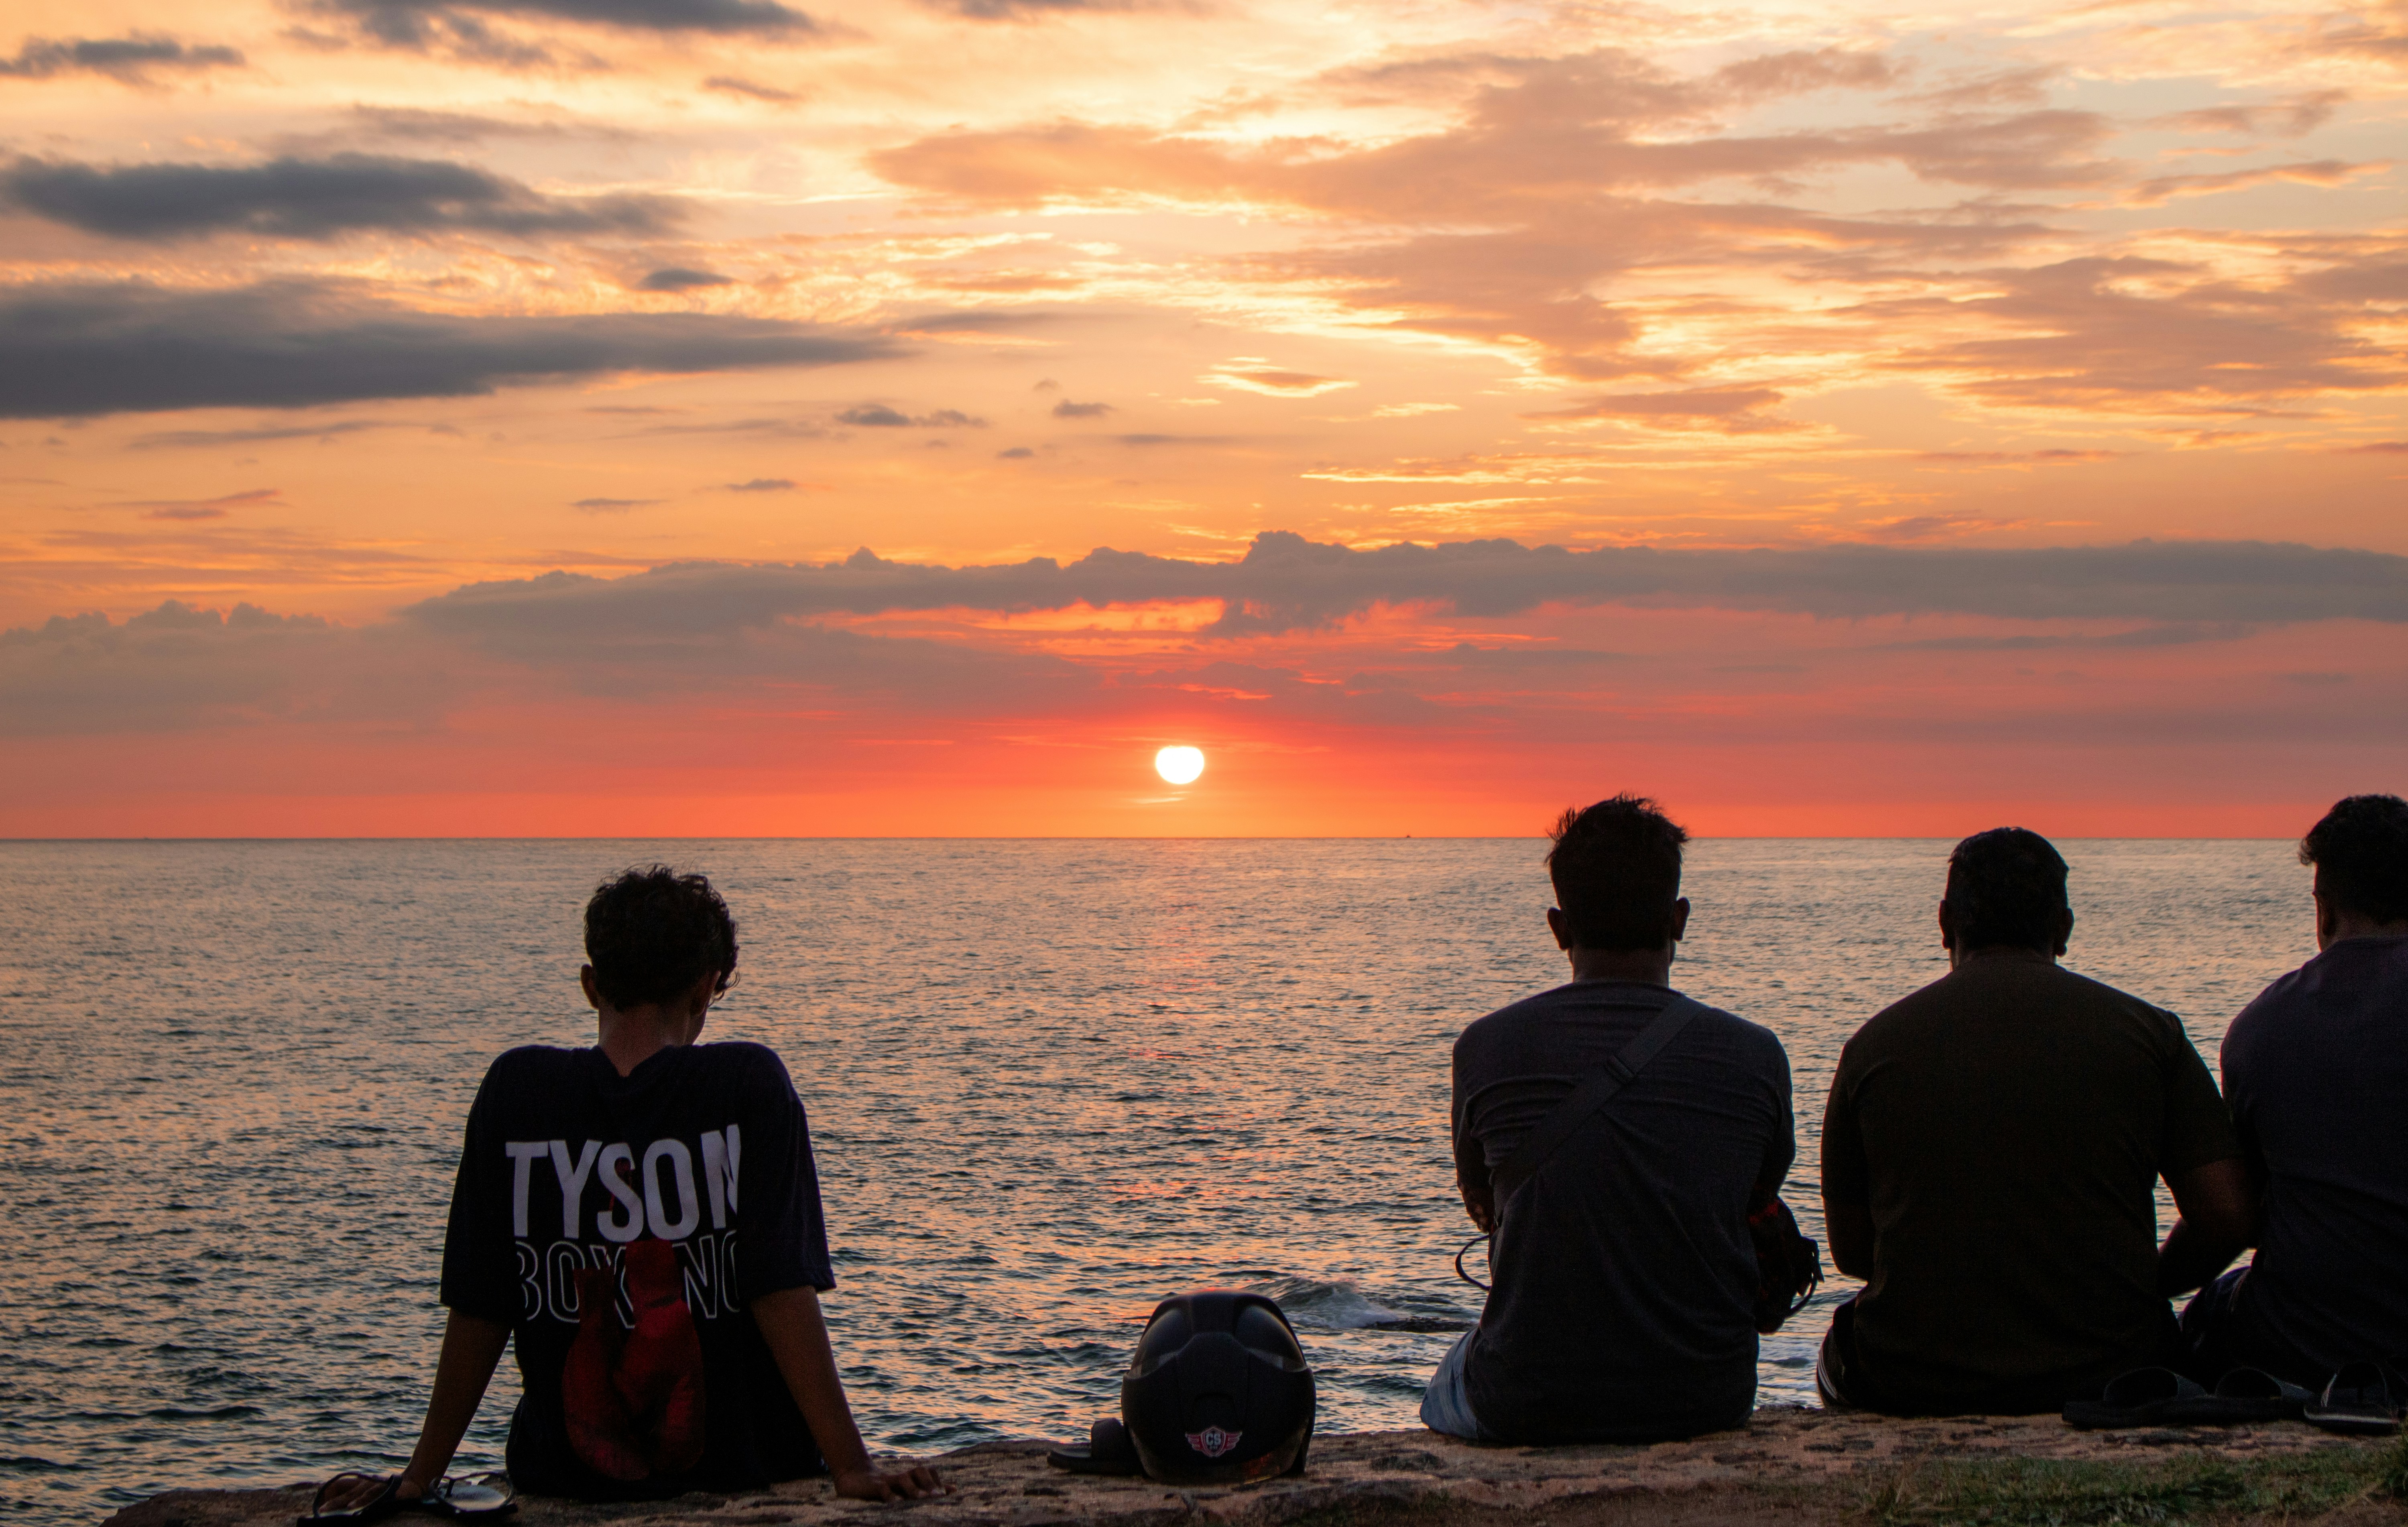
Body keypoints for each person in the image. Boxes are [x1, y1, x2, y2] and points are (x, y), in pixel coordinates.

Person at [318, 867, 940, 1511]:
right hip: (746, 1468)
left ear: (593, 985)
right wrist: (852, 1465)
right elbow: (779, 1285)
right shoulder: (746, 1083)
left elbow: (481, 1304)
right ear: (705, 988)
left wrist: (417, 1478)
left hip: (562, 1476)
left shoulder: (516, 1090)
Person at [1817, 828, 2255, 1416]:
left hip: (1914, 1377)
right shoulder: (2151, 1035)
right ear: (2065, 927)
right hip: (2113, 1372)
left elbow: (1852, 1252)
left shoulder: (1874, 1046)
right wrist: (2148, 1284)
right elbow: (2227, 1215)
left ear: (1946, 922)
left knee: (1838, 1344)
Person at [1424, 796, 1796, 1444]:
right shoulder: (1755, 1053)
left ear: (1559, 927)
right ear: (1678, 919)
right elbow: (1755, 1195)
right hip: (1707, 1394)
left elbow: (1483, 1204)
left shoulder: (1484, 1047)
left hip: (1528, 1398)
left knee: (1442, 1386)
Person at [2182, 795, 2408, 1385]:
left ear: (2325, 908)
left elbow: (2240, 1216)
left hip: (2310, 1346)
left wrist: (2145, 1282)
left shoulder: (2263, 1025)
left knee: (2209, 1311)